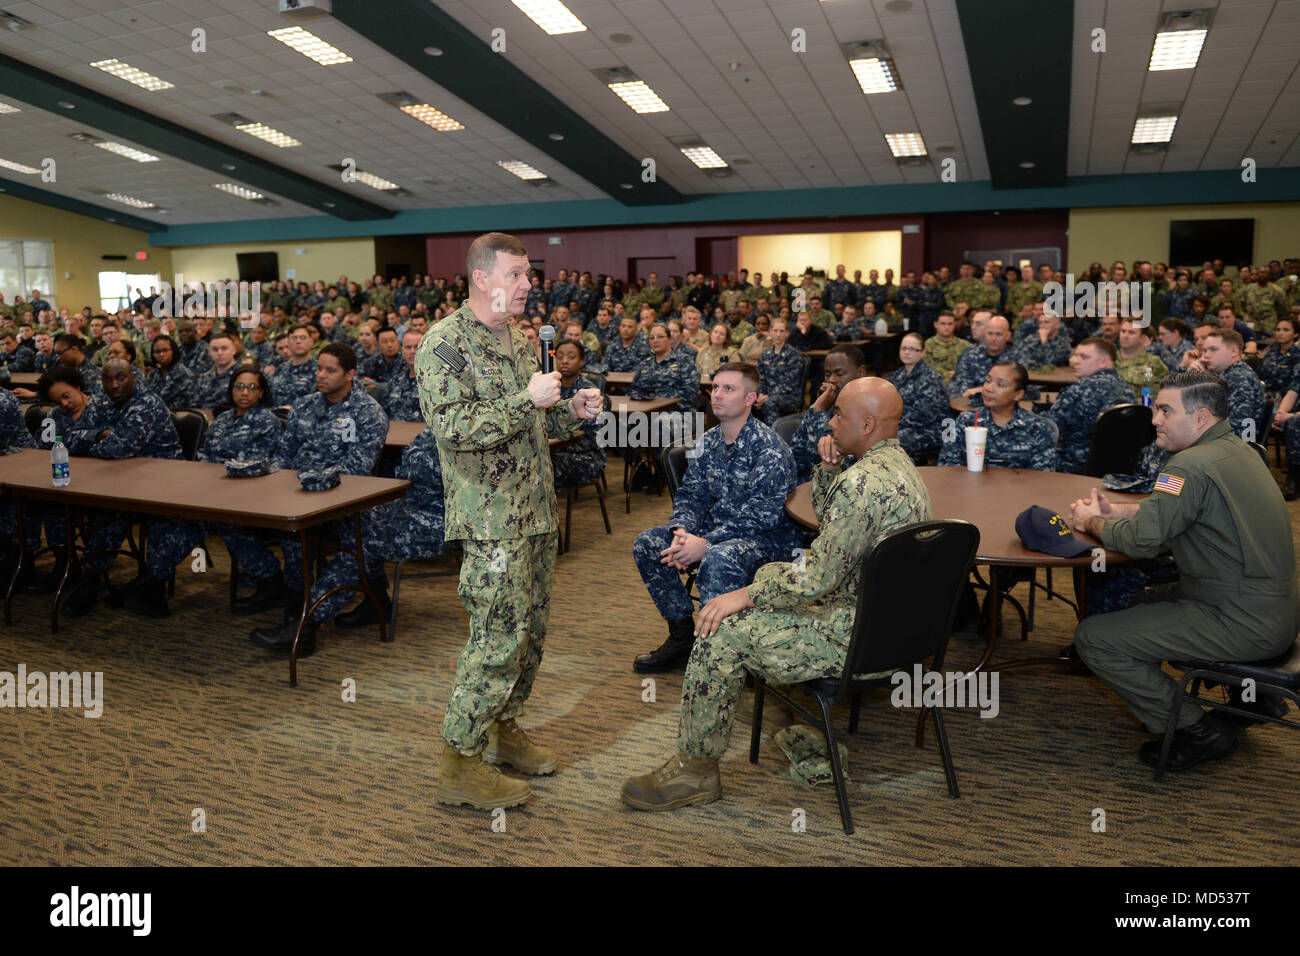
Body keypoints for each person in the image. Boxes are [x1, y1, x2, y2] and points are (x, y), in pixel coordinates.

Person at [621, 377, 932, 811]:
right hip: (892, 625)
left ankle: (695, 771)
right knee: (768, 574)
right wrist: (828, 470)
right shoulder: (898, 467)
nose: (829, 419)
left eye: (838, 413)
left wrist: (745, 595)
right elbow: (833, 522)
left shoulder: (863, 485)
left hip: (855, 632)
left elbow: (818, 579)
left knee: (719, 632)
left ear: (866, 424)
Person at [414, 232, 602, 811]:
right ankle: (460, 760)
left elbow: (531, 429)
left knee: (530, 635)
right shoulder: (443, 344)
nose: (528, 284)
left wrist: (567, 412)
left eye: (528, 274)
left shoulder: (520, 342)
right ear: (482, 278)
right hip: (491, 520)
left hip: (535, 512)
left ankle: (503, 726)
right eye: (517, 274)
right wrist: (530, 402)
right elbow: (453, 431)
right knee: (496, 639)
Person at [1069, 370, 1298, 772]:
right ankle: (1252, 695)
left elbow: (1143, 543)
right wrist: (1117, 512)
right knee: (1142, 602)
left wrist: (1092, 523)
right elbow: (1184, 511)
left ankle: (1198, 730)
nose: (1154, 418)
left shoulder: (1186, 466)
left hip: (1240, 619)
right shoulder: (1238, 450)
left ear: (1200, 418)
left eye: (1164, 410)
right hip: (1273, 609)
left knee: (1094, 638)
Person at [631, 362, 801, 674]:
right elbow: (691, 494)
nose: (717, 395)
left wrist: (705, 544)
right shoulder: (707, 441)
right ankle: (683, 638)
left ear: (750, 398)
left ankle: (720, 654)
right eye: (715, 388)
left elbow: (763, 517)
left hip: (766, 540)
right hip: (717, 532)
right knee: (649, 544)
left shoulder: (768, 449)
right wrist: (683, 532)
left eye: (729, 389)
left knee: (718, 559)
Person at [244, 345, 391, 655]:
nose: (321, 376)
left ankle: (304, 625)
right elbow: (285, 456)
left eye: (330, 370)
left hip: (349, 503)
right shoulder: (305, 405)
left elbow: (358, 470)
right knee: (291, 534)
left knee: (357, 546)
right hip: (300, 496)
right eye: (319, 369)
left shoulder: (368, 413)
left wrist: (309, 479)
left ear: (350, 375)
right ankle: (302, 602)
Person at [61, 360, 199, 618]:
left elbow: (119, 448)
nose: (115, 385)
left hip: (164, 483)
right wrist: (102, 434)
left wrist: (95, 440)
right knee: (107, 520)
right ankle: (90, 582)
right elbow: (70, 438)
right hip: (118, 480)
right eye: (108, 380)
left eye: (121, 378)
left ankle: (152, 587)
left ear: (134, 376)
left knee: (167, 525)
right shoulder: (101, 400)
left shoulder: (148, 402)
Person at [938, 361, 1057, 470]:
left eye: (1000, 384)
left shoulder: (1037, 428)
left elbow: (1042, 476)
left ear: (1018, 394)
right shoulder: (965, 421)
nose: (988, 388)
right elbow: (947, 465)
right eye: (988, 380)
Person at [1043, 338, 1136, 474]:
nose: (1076, 361)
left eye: (1084, 357)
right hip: (1117, 468)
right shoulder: (1128, 390)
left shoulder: (1080, 390)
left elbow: (1049, 430)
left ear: (1104, 362)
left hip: (1073, 465)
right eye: (1076, 356)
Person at [790, 345, 868, 481]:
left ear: (860, 372)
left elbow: (843, 463)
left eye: (839, 373)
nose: (831, 379)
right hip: (811, 485)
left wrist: (819, 413)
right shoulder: (824, 403)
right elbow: (796, 457)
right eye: (827, 374)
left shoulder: (869, 411)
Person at [551, 340, 607, 491]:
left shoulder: (590, 392)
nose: (564, 361)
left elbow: (592, 437)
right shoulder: (550, 390)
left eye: (571, 357)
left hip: (586, 456)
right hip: (555, 450)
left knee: (543, 466)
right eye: (560, 356)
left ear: (581, 361)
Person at [1191, 330, 1267, 441]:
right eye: (1205, 350)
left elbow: (1239, 430)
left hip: (1232, 449)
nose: (1206, 355)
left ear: (1234, 351)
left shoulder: (1239, 379)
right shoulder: (1226, 375)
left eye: (1213, 350)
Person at [889, 332, 948, 462]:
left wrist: (892, 426)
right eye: (904, 348)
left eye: (912, 349)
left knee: (890, 442)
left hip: (928, 430)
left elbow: (924, 416)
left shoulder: (930, 378)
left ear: (922, 353)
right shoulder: (898, 375)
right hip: (903, 426)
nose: (907, 352)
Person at [629, 324, 700, 414]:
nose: (655, 340)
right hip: (646, 413)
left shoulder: (685, 361)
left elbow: (690, 395)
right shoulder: (645, 364)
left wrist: (658, 404)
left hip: (678, 413)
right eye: (651, 338)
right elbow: (633, 390)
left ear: (670, 339)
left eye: (660, 337)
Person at [948, 314, 1023, 398]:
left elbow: (1026, 390)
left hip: (1004, 407)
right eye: (990, 334)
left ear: (1007, 336)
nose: (993, 338)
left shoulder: (1017, 358)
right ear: (985, 334)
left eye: (999, 334)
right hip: (972, 406)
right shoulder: (970, 355)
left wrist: (982, 390)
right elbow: (960, 387)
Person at [753, 318, 803, 425]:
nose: (778, 334)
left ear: (787, 333)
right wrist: (761, 393)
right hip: (766, 395)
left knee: (769, 403)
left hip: (789, 396)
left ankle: (772, 437)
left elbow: (789, 383)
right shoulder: (765, 353)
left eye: (781, 331)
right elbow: (760, 377)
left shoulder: (793, 354)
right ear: (770, 332)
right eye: (775, 331)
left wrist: (767, 396)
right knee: (749, 399)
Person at [1115, 318, 1168, 398]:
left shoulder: (1153, 363)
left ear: (1142, 338)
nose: (1125, 336)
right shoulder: (1109, 359)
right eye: (1123, 331)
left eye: (1131, 333)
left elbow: (1158, 397)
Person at [144, 336, 198, 410]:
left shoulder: (184, 374)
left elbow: (189, 405)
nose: (161, 354)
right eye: (157, 352)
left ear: (173, 351)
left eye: (165, 350)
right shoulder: (152, 374)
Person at [269, 325, 318, 408]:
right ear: (288, 342)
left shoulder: (320, 371)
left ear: (311, 342)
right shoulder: (280, 369)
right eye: (294, 338)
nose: (298, 341)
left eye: (303, 337)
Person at [381, 330, 424, 422]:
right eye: (408, 347)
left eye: (417, 347)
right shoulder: (394, 382)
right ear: (403, 351)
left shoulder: (435, 382)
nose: (412, 351)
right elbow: (383, 415)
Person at [923, 311, 971, 379]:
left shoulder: (965, 345)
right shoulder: (928, 345)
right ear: (936, 324)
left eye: (950, 324)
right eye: (943, 324)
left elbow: (971, 366)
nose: (946, 327)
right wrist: (946, 374)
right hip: (935, 383)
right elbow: (926, 367)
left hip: (960, 383)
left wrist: (958, 373)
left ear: (954, 325)